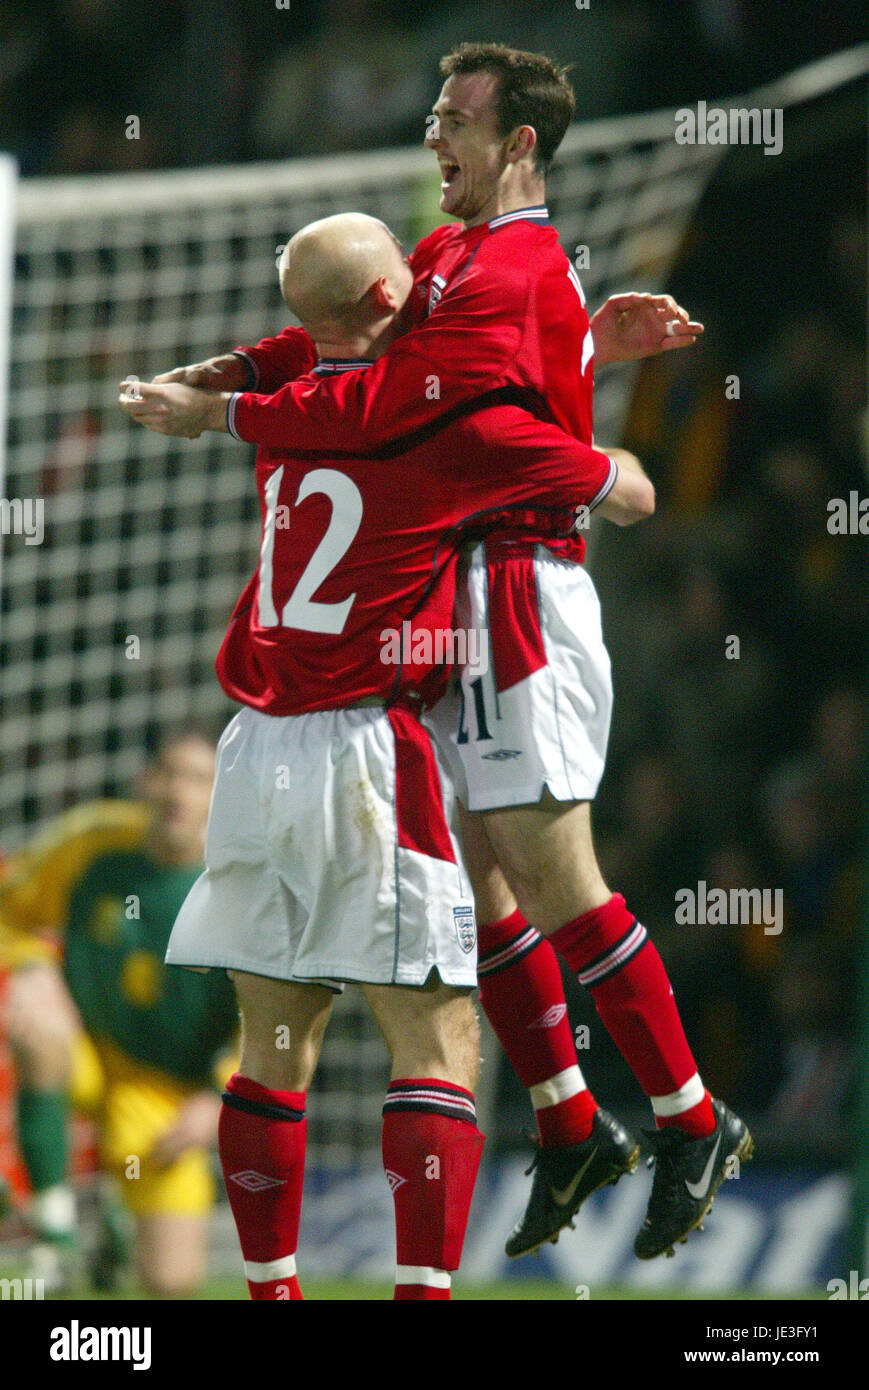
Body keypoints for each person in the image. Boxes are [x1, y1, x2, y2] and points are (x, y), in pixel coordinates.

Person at [120, 42, 751, 1264]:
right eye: (432, 111)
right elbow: (367, 352)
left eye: (453, 117)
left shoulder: (513, 258)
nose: (431, 135)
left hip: (516, 584)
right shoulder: (449, 257)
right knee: (479, 874)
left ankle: (688, 1115)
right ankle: (569, 1117)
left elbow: (406, 405)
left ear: (519, 141)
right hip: (452, 587)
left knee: (543, 870)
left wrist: (227, 411)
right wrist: (244, 367)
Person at [0, 729, 238, 1295]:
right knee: (32, 1015)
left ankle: (113, 1219)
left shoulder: (239, 887)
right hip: (82, 1054)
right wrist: (32, 964)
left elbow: (274, 1022)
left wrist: (219, 1099)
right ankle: (54, 1235)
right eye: (168, 774)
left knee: (172, 1282)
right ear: (144, 782)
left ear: (221, 797)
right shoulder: (94, 843)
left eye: (198, 780)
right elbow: (8, 911)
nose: (178, 792)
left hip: (169, 1090)